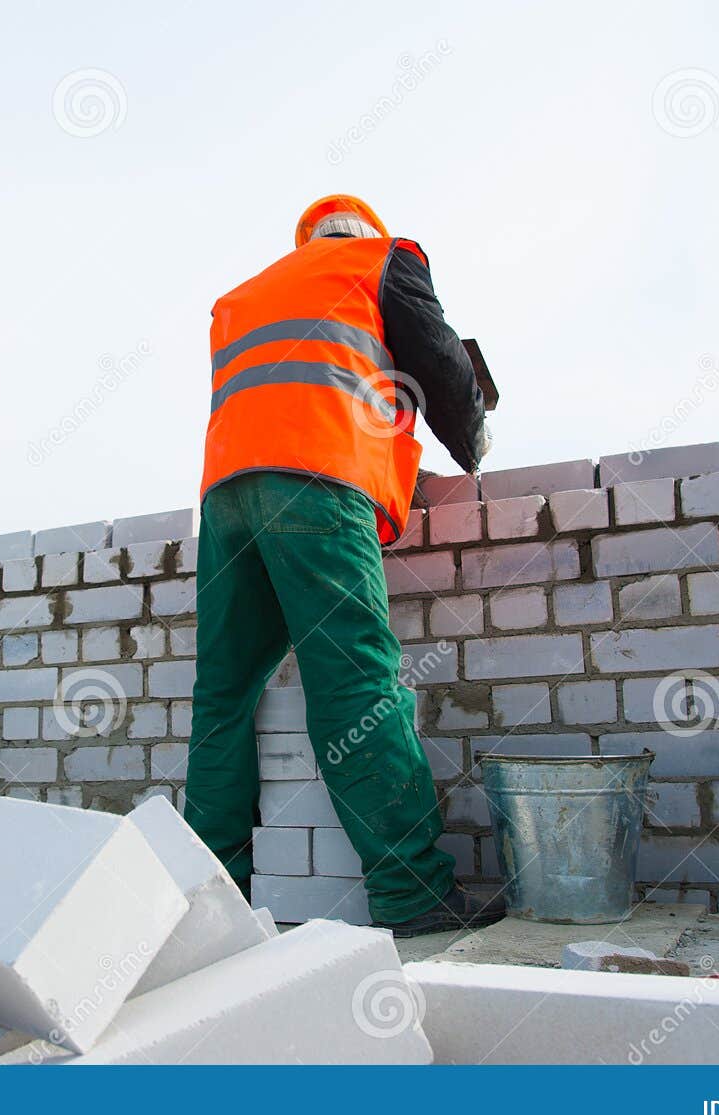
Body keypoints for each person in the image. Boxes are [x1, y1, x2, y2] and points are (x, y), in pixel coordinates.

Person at [184, 194, 503, 936]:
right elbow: (443, 364)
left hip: (228, 496)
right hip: (316, 481)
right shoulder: (382, 261)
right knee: (354, 677)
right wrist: (473, 444)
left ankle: (212, 904)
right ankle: (411, 889)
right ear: (366, 234)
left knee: (222, 693)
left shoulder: (240, 297)